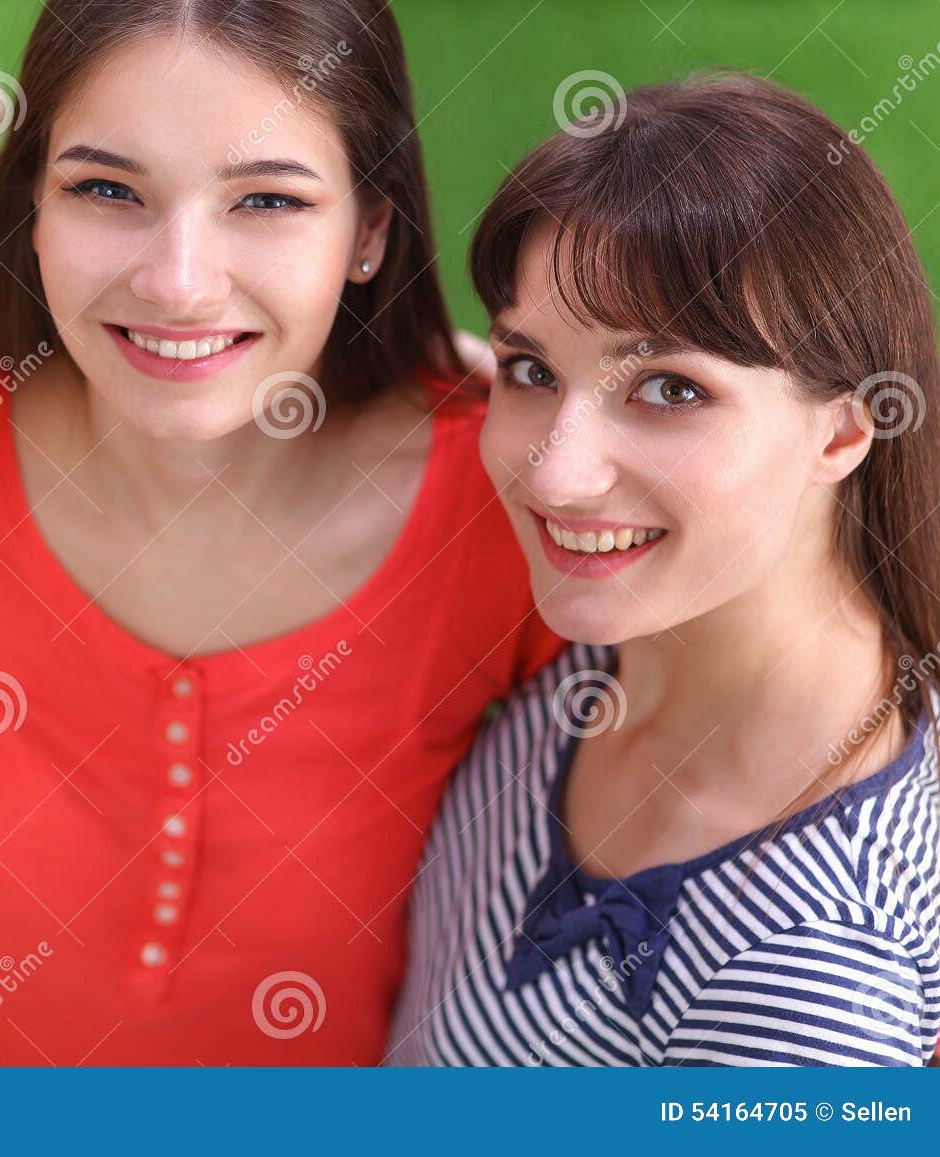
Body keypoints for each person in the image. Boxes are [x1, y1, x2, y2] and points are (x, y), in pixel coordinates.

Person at [0, 0, 557, 1064]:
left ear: (370, 232)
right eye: (107, 189)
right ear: (32, 205)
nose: (177, 282)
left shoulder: (501, 508)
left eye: (267, 200)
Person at [389, 74, 940, 1066]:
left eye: (670, 388)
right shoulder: (622, 637)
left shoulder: (813, 976)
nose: (555, 475)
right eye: (531, 370)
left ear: (844, 428)